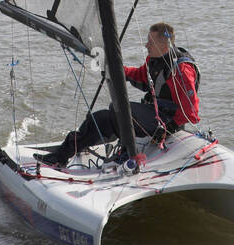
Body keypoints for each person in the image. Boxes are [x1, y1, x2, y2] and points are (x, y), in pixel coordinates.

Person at [35, 23, 200, 169]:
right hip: (153, 114)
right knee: (99, 119)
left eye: (150, 42)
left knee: (118, 108)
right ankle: (59, 157)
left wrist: (168, 129)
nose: (146, 45)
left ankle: (127, 155)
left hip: (168, 122)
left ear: (164, 47)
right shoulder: (155, 59)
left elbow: (191, 112)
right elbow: (140, 76)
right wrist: (116, 68)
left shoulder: (182, 70)